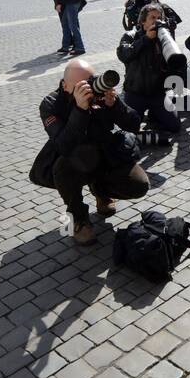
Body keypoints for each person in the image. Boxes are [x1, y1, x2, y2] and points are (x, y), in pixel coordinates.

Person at [39, 57, 149, 246]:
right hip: (74, 161)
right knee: (62, 167)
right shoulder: (51, 104)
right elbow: (64, 145)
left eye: (90, 82)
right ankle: (79, 219)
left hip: (105, 155)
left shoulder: (100, 94)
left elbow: (134, 124)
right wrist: (80, 109)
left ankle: (101, 192)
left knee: (139, 185)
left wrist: (115, 105)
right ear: (65, 86)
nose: (89, 89)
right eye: (81, 85)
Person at [117, 2, 183, 136]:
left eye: (160, 18)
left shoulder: (163, 38)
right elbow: (124, 54)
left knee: (174, 126)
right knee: (128, 129)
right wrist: (146, 39)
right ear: (143, 21)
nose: (157, 21)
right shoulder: (130, 35)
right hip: (135, 92)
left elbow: (173, 64)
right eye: (153, 18)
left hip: (157, 94)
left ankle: (154, 116)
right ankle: (146, 116)